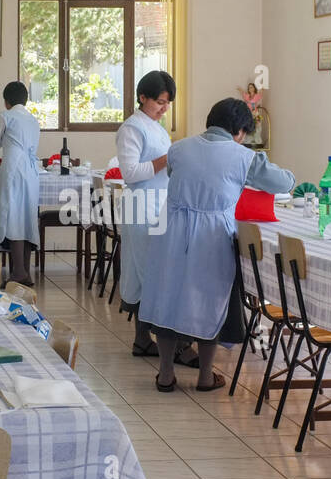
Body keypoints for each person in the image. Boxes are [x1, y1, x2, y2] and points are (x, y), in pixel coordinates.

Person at [139, 98, 294, 392]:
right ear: (239, 130)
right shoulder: (243, 156)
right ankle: (205, 377)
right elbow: (283, 183)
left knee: (168, 297)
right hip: (211, 235)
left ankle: (165, 374)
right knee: (209, 300)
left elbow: (176, 175)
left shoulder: (179, 148)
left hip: (171, 230)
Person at [116, 71, 174, 356]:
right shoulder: (132, 128)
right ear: (143, 97)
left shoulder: (157, 128)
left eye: (167, 103)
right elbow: (130, 172)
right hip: (140, 204)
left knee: (151, 270)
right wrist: (167, 160)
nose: (164, 108)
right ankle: (145, 338)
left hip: (159, 203)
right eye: (160, 102)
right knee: (145, 271)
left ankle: (143, 339)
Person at [0, 81, 40, 285]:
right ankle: (25, 272)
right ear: (25, 99)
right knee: (27, 217)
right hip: (31, 170)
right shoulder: (33, 119)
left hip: (13, 168)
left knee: (14, 216)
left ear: (6, 101)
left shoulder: (5, 116)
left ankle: (18, 273)